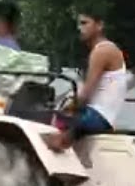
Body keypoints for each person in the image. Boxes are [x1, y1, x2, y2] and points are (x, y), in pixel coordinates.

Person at [46, 10, 128, 150]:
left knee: (50, 122)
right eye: (79, 24)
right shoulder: (105, 49)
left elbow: (85, 96)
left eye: (85, 23)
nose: (80, 28)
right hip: (102, 115)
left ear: (99, 25)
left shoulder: (102, 51)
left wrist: (66, 108)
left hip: (97, 116)